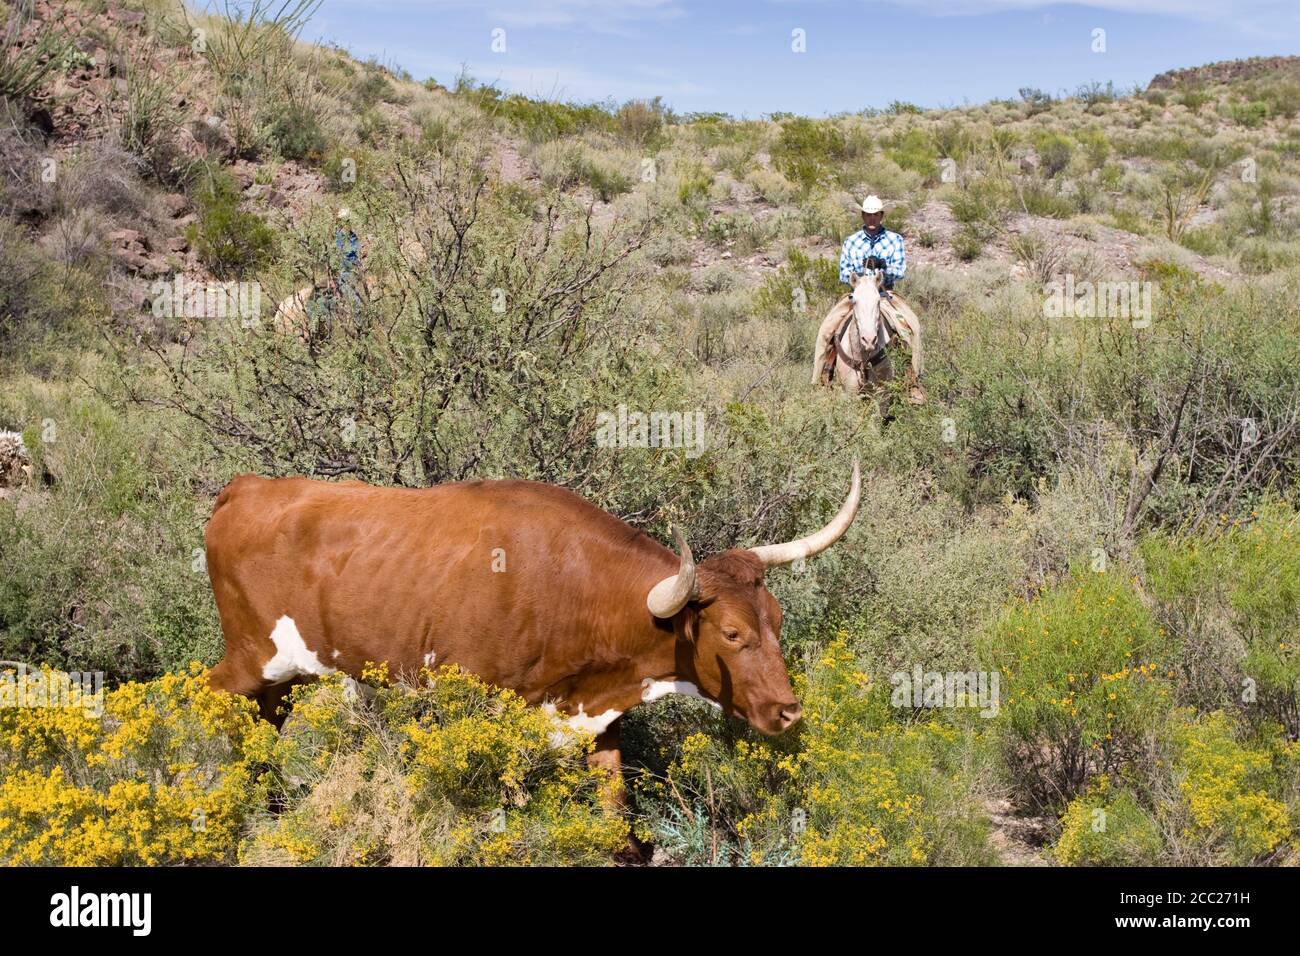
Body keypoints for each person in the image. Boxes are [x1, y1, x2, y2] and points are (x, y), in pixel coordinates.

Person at [816, 195, 925, 403]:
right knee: (826, 330)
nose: (872, 219)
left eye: (876, 215)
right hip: (856, 294)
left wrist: (883, 267)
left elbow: (900, 270)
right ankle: (821, 380)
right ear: (863, 216)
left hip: (884, 294)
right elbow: (843, 272)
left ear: (881, 215)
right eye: (868, 215)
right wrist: (860, 274)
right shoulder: (852, 241)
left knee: (913, 327)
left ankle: (913, 383)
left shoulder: (894, 240)